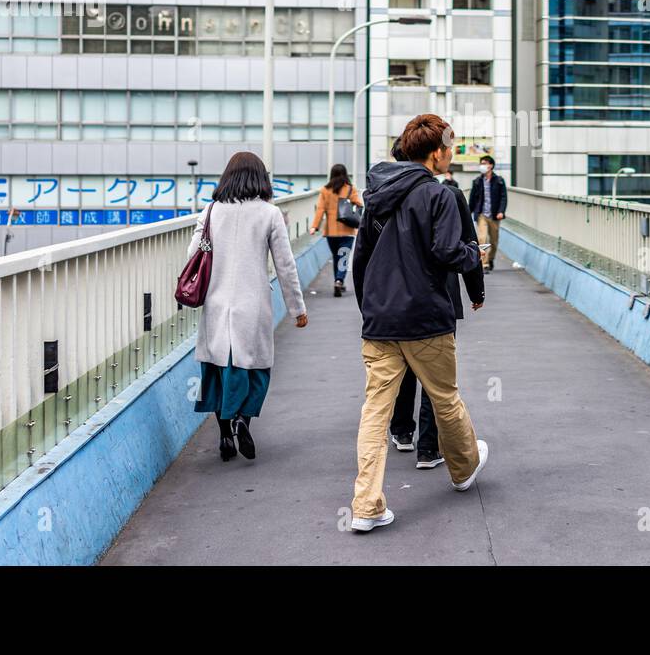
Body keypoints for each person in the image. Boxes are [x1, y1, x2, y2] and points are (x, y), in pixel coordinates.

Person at [348, 114, 488, 532]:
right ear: (436, 152)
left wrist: (371, 307)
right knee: (445, 397)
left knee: (375, 410)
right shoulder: (439, 196)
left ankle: (365, 506)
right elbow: (446, 251)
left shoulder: (376, 196)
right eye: (451, 147)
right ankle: (463, 470)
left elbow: (361, 261)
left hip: (381, 321)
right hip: (426, 318)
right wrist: (473, 255)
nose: (452, 154)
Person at [189, 151, 307, 462]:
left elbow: (192, 255)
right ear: (261, 179)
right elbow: (286, 265)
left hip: (216, 303)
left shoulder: (211, 211)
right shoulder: (269, 213)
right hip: (252, 305)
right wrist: (297, 309)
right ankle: (244, 420)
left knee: (217, 371)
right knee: (254, 368)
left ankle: (225, 434)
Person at [387, 140, 485, 469]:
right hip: (437, 297)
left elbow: (368, 253)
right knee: (437, 377)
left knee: (402, 370)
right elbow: (463, 244)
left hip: (392, 299)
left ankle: (401, 431)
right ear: (433, 155)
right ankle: (429, 448)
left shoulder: (383, 194)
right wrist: (476, 290)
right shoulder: (449, 195)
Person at [309, 163, 362, 297]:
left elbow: (320, 210)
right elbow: (359, 205)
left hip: (331, 231)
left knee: (336, 256)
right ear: (345, 174)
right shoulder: (350, 189)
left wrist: (314, 226)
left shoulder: (325, 190)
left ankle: (338, 280)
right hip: (347, 230)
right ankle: (339, 280)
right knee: (343, 256)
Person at [468, 154, 507, 273]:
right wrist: (468, 212)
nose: (482, 166)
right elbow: (472, 199)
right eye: (481, 164)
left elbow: (503, 197)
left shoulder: (499, 181)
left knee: (494, 242)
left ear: (491, 165)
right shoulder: (477, 181)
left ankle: (490, 259)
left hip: (495, 215)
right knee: (482, 238)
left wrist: (501, 211)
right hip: (481, 215)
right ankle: (484, 264)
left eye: (484, 163)